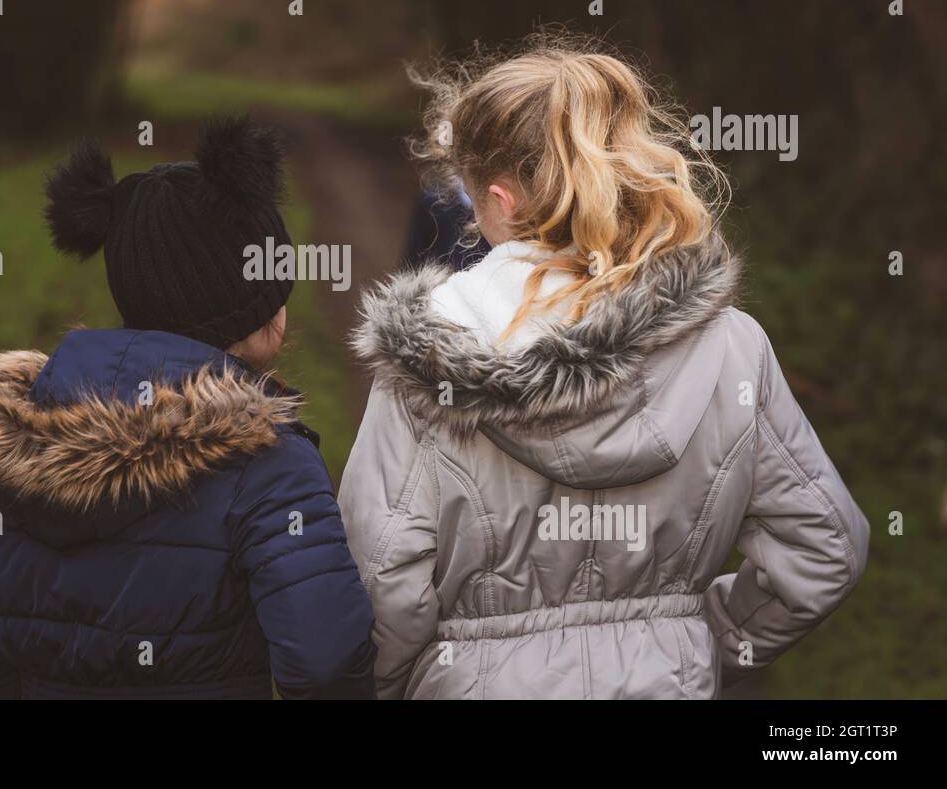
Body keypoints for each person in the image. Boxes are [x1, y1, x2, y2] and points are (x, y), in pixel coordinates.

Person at [340, 38, 869, 699]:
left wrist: (397, 684)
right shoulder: (733, 346)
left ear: (502, 200)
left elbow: (381, 576)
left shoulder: (430, 354)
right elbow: (826, 547)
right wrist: (698, 642)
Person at [0, 116, 376, 699]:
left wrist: (28, 685)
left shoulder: (22, 437)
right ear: (263, 311)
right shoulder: (268, 465)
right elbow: (324, 660)